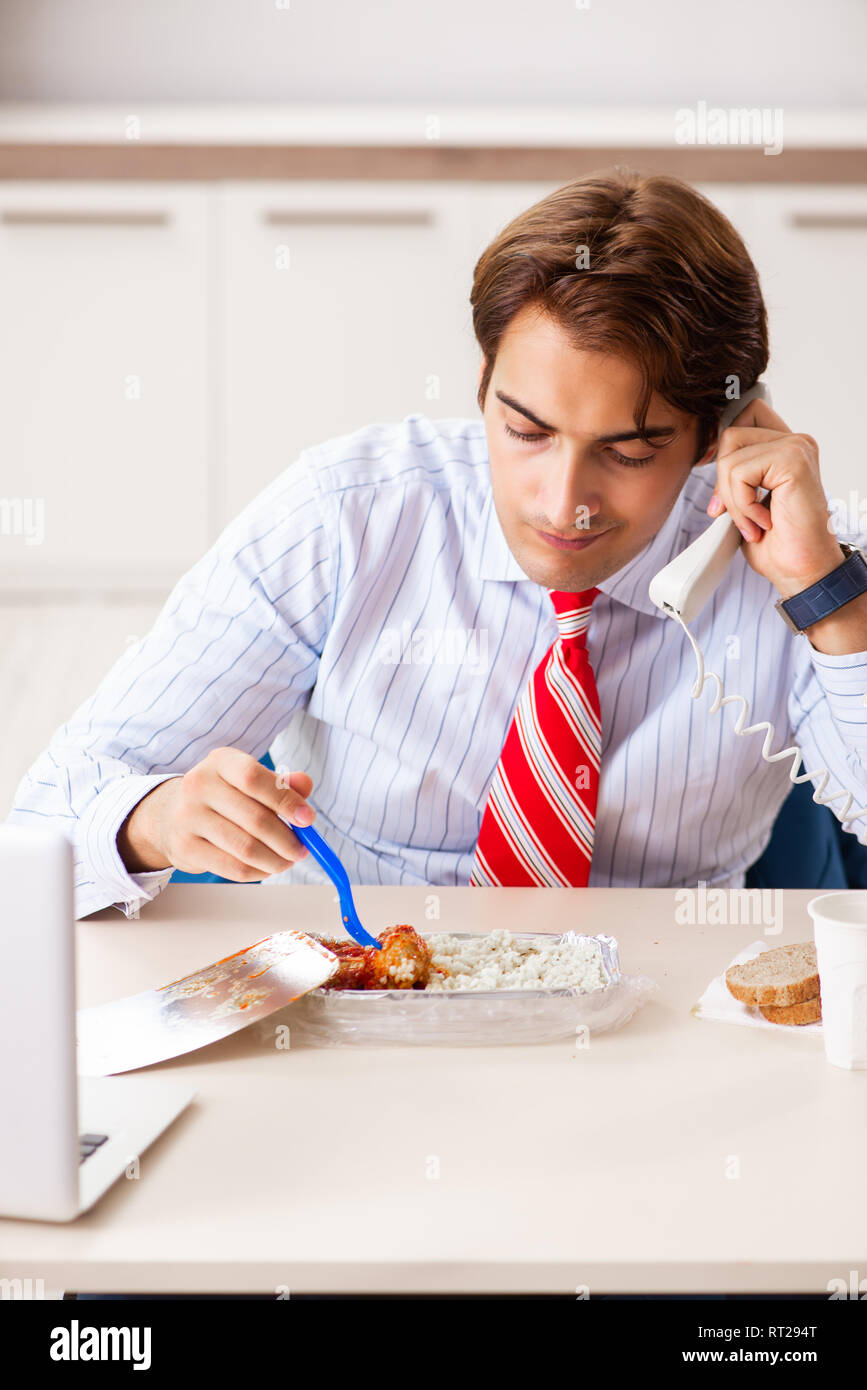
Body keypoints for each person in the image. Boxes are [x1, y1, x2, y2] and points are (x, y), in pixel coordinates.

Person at [8, 168, 867, 915]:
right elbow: (40, 824)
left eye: (629, 450)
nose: (561, 502)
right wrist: (148, 820)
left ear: (716, 436)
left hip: (660, 1016)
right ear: (483, 383)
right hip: (357, 990)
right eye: (525, 430)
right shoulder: (345, 517)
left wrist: (821, 593)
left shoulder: (797, 551)